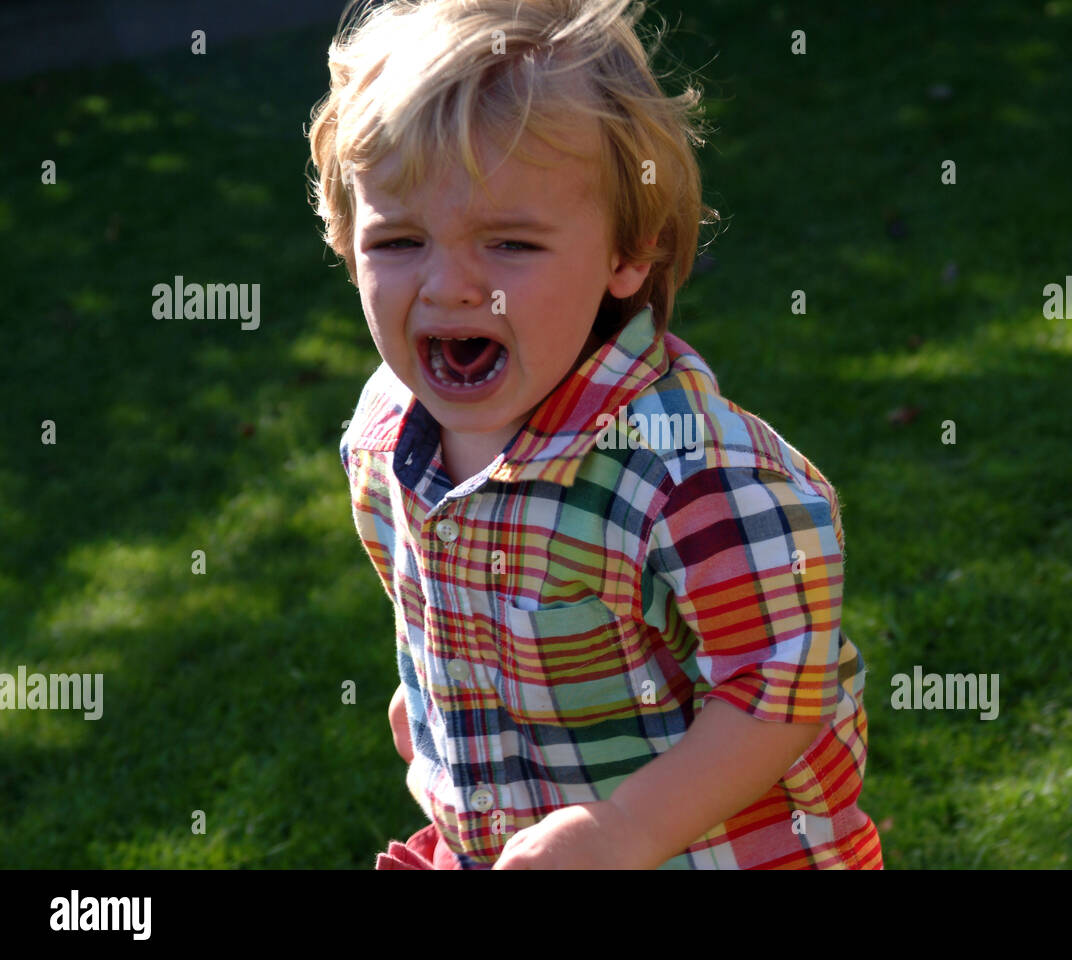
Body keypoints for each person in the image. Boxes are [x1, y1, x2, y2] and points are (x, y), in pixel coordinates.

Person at [307, 0, 881, 869]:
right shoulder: (385, 436)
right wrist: (435, 687)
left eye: (508, 243)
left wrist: (625, 832)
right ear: (348, 242)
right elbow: (439, 592)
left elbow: (783, 682)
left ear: (627, 252)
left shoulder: (687, 474)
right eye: (400, 239)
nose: (450, 285)